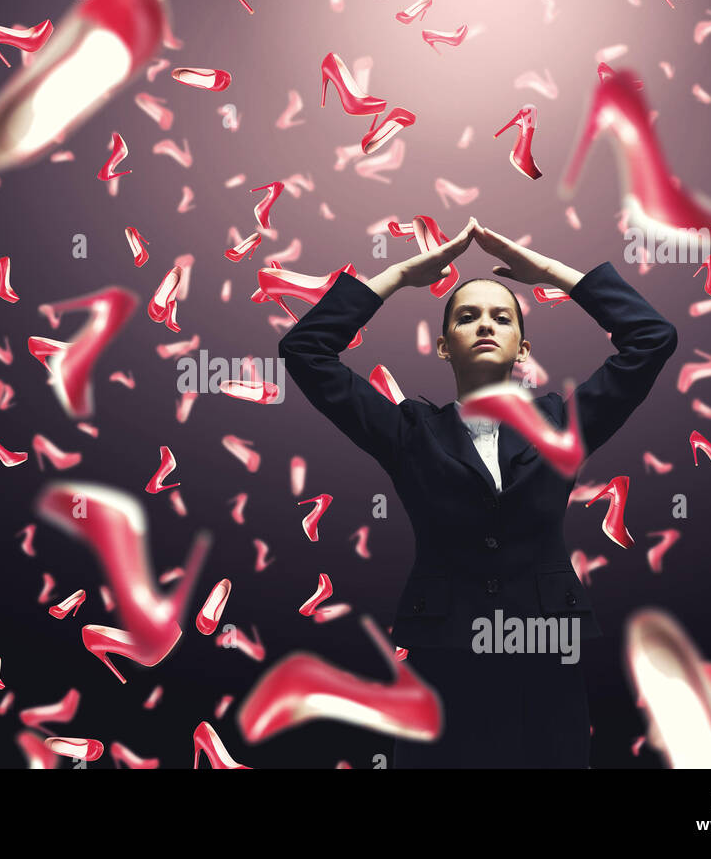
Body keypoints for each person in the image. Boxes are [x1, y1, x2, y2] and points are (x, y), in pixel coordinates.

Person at [277, 218, 679, 767]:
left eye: (501, 317)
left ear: (522, 345)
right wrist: (396, 275)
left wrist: (550, 274)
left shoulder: (562, 423)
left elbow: (652, 338)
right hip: (443, 660)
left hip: (544, 655)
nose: (484, 325)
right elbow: (305, 351)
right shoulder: (408, 432)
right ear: (444, 346)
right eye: (466, 317)